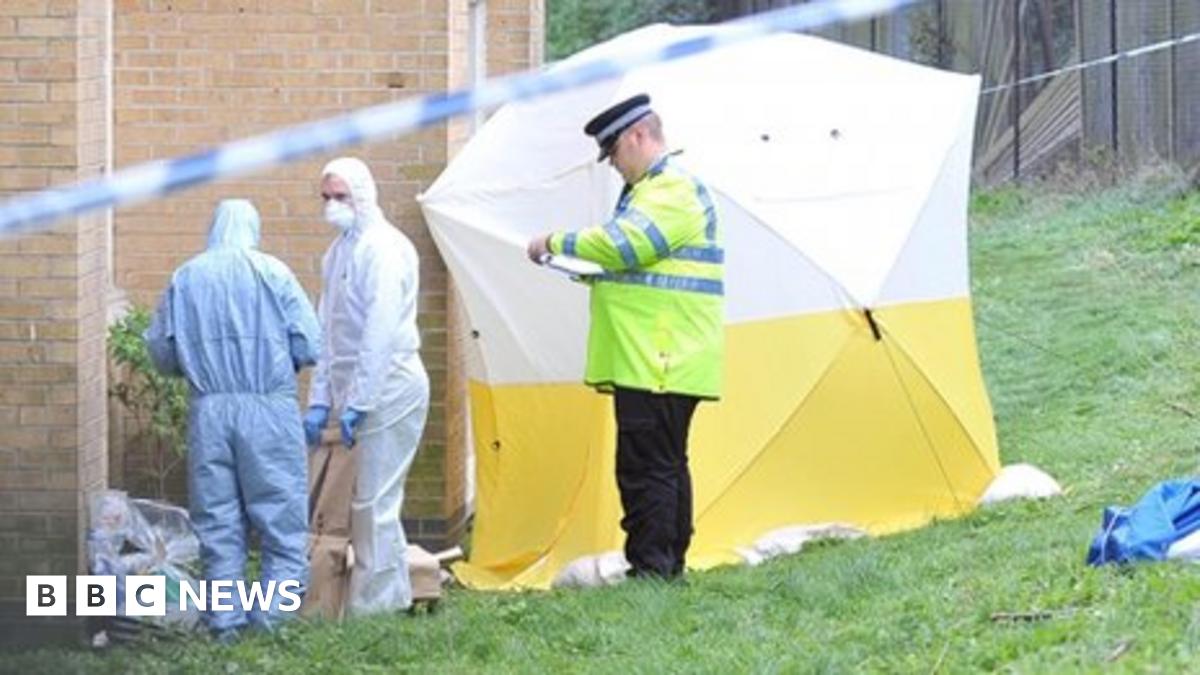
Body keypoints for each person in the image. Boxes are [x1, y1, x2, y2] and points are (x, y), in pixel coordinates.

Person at [526, 94, 725, 580]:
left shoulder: (670, 189)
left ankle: (652, 571)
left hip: (656, 356)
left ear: (638, 136)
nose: (613, 164)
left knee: (645, 469)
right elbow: (634, 262)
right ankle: (666, 566)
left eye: (613, 151)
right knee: (665, 464)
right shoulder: (653, 193)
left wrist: (554, 242)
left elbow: (626, 245)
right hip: (663, 356)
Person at [145, 199, 321, 639]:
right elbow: (309, 343)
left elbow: (162, 353)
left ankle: (225, 624)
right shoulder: (273, 272)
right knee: (281, 521)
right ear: (253, 229)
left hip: (211, 410)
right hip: (268, 407)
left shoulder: (185, 277)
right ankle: (271, 622)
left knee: (217, 524)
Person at [302, 156, 430, 616]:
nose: (333, 206)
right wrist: (320, 401)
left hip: (391, 386)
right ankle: (390, 594)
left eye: (341, 197)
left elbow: (378, 334)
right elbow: (328, 334)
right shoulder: (338, 252)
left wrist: (358, 402)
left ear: (362, 195)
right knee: (371, 502)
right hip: (356, 392)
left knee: (372, 500)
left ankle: (374, 609)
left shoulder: (385, 249)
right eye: (327, 197)